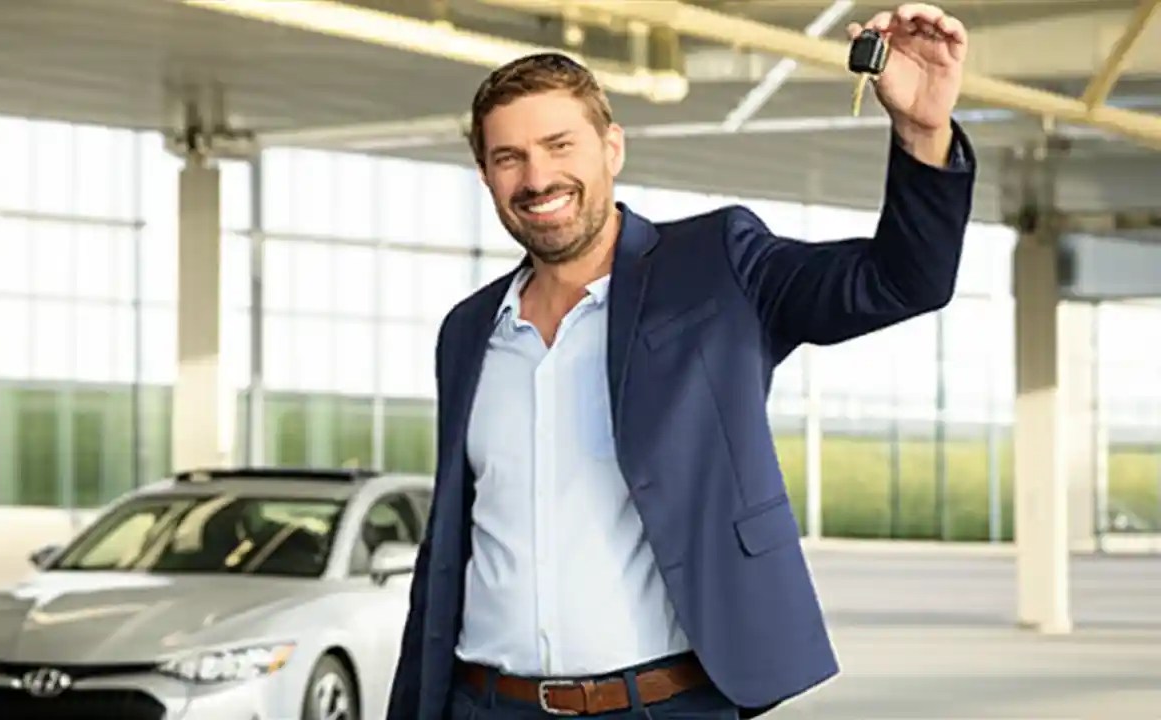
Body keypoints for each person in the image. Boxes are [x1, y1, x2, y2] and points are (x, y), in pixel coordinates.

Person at [387, 3, 974, 718]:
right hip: (485, 703)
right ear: (486, 175)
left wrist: (922, 132)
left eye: (560, 145)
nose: (537, 177)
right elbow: (453, 541)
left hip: (665, 705)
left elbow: (899, 282)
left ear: (612, 148)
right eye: (509, 157)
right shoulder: (468, 330)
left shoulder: (716, 266)